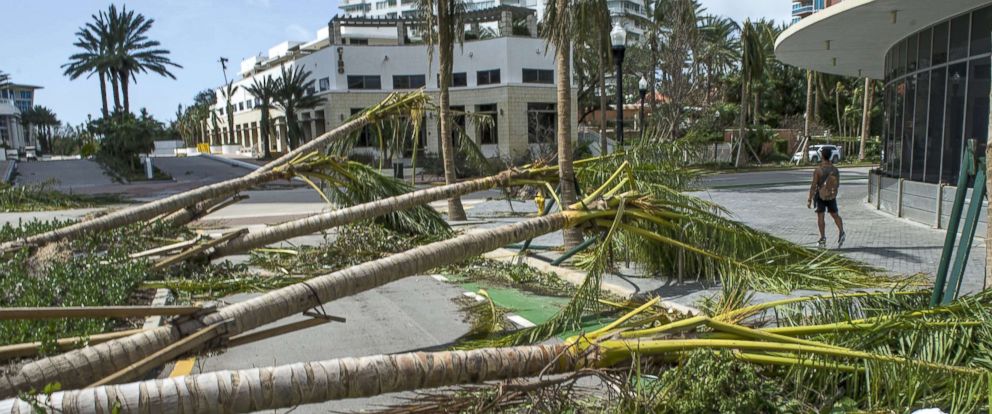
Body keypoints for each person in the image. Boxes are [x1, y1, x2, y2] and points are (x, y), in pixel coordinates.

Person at [807, 146, 845, 248]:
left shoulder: (818, 170)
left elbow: (813, 186)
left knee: (820, 216)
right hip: (831, 196)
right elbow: (837, 184)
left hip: (821, 196)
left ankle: (822, 238)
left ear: (822, 156)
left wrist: (809, 199)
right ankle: (842, 232)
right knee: (835, 214)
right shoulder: (835, 170)